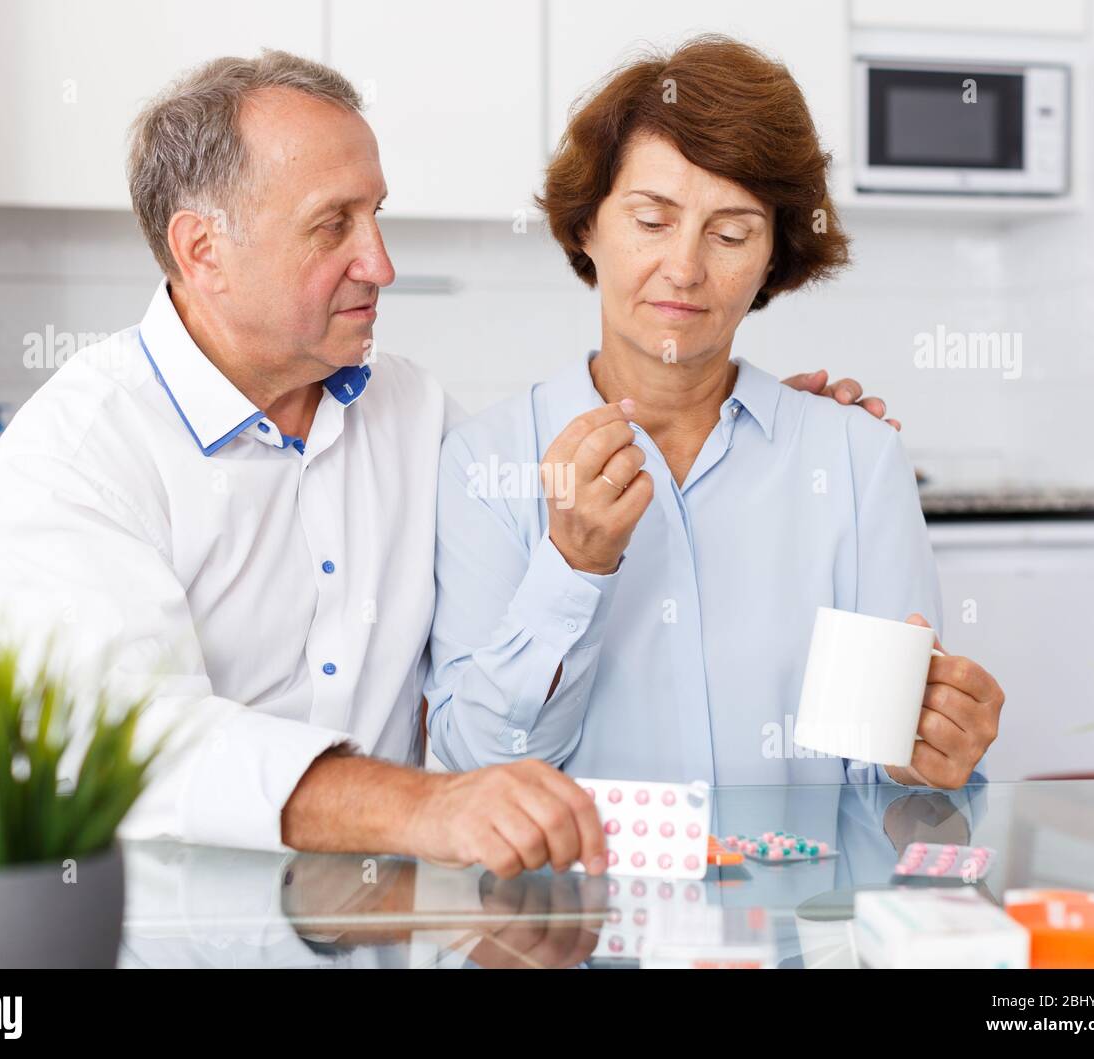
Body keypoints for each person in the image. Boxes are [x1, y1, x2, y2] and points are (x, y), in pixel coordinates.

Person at [0, 48, 903, 879]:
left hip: (389, 931)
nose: (379, 262)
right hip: (185, 934)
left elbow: (486, 663)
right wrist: (426, 805)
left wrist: (791, 433)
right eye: (332, 225)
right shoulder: (76, 453)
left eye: (375, 215)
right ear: (202, 250)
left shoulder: (416, 416)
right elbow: (125, 740)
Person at [427, 36, 1004, 790]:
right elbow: (480, 767)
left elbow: (884, 778)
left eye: (731, 234)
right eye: (651, 220)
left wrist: (930, 757)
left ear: (774, 257)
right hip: (575, 911)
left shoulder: (856, 460)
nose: (687, 267)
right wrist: (572, 565)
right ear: (587, 227)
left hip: (800, 905)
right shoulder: (484, 462)